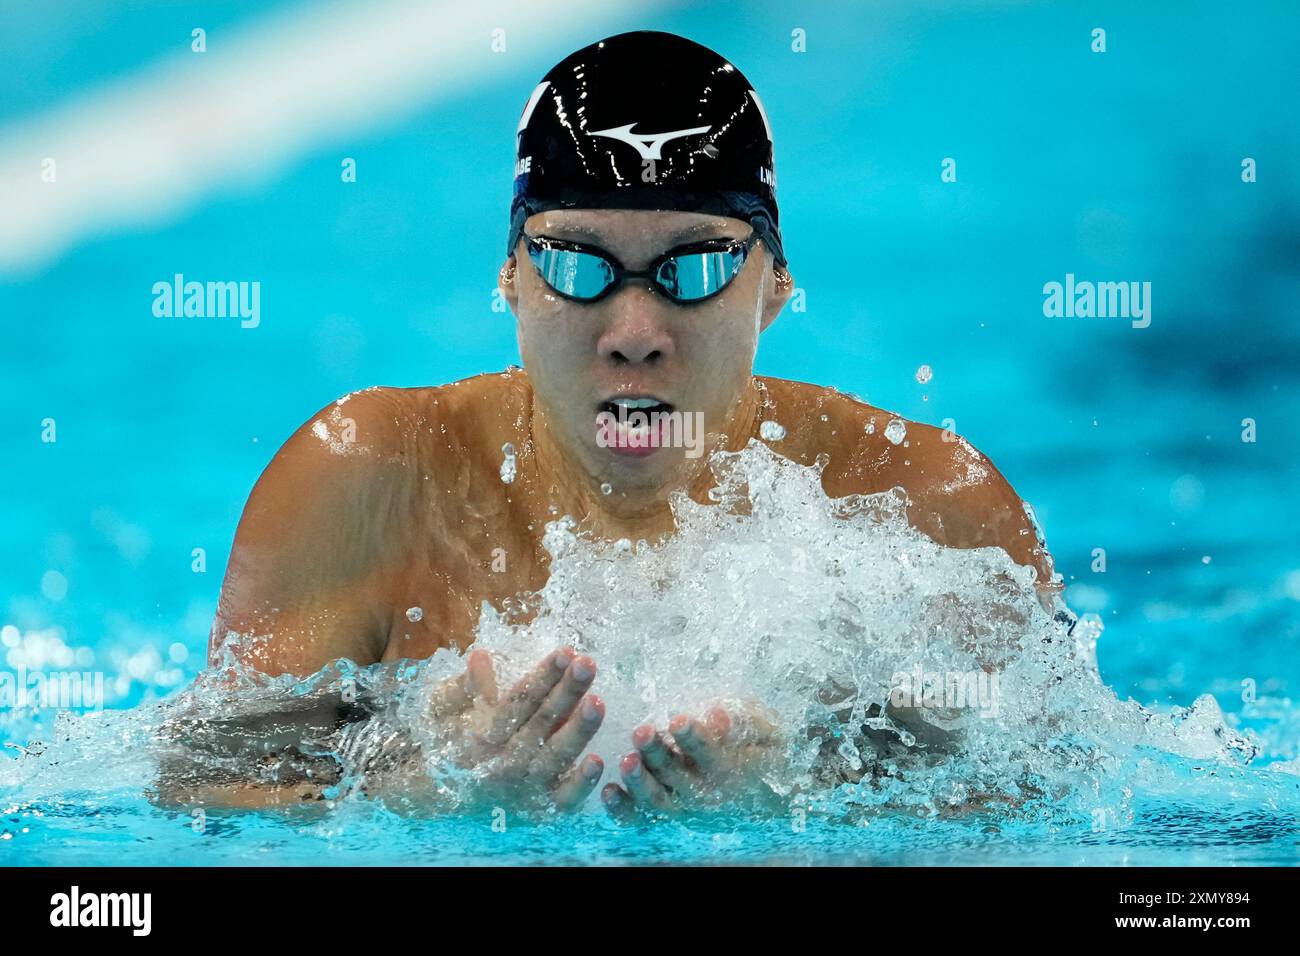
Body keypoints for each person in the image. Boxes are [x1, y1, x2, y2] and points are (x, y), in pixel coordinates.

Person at [206, 31, 1059, 816]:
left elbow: (1054, 807)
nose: (635, 336)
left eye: (695, 268)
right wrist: (421, 796)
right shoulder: (364, 480)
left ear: (774, 288)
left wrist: (808, 798)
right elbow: (199, 792)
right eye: (578, 266)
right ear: (511, 280)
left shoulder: (927, 510)